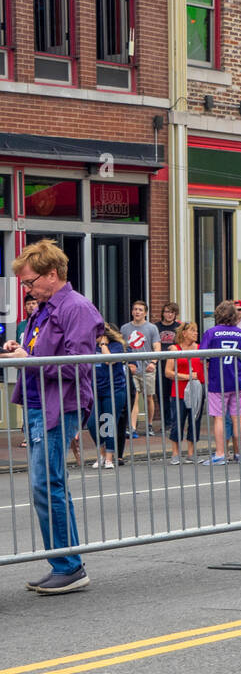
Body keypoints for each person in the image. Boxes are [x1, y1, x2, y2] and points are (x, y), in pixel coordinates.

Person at [3, 238, 103, 593]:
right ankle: (66, 562)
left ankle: (69, 565)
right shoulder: (45, 308)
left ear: (52, 274)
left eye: (30, 281)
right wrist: (22, 349)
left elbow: (79, 365)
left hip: (59, 405)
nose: (28, 289)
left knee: (47, 485)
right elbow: (42, 352)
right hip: (41, 404)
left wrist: (27, 360)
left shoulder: (76, 307)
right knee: (46, 485)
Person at [198, 301, 241, 464]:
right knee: (237, 417)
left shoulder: (211, 333)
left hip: (218, 380)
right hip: (238, 380)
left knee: (218, 417)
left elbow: (202, 356)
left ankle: (220, 454)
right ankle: (239, 453)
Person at [86, 322, 128, 470]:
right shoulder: (90, 346)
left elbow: (109, 360)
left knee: (108, 422)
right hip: (94, 390)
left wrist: (103, 344)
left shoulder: (117, 345)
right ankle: (102, 453)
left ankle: (109, 457)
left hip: (114, 389)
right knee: (91, 423)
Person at [165, 322, 204, 464]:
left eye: (196, 330)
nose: (196, 333)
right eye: (192, 331)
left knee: (195, 421)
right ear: (184, 333)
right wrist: (187, 376)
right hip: (179, 391)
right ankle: (175, 453)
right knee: (178, 421)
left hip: (196, 390)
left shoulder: (200, 349)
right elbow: (168, 372)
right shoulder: (175, 349)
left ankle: (191, 453)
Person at [121, 300, 161, 437]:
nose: (137, 312)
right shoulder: (125, 328)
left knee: (149, 397)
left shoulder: (151, 328)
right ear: (132, 311)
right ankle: (132, 427)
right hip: (132, 369)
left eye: (140, 310)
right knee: (135, 397)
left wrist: (153, 362)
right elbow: (123, 347)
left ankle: (149, 424)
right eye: (135, 309)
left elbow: (157, 347)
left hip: (147, 368)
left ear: (145, 313)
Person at [155, 301, 180, 429]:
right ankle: (166, 423)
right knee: (162, 393)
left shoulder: (179, 327)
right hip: (160, 364)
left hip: (175, 364)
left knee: (175, 394)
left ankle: (176, 421)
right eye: (166, 312)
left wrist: (175, 347)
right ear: (162, 313)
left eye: (172, 312)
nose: (169, 315)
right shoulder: (156, 327)